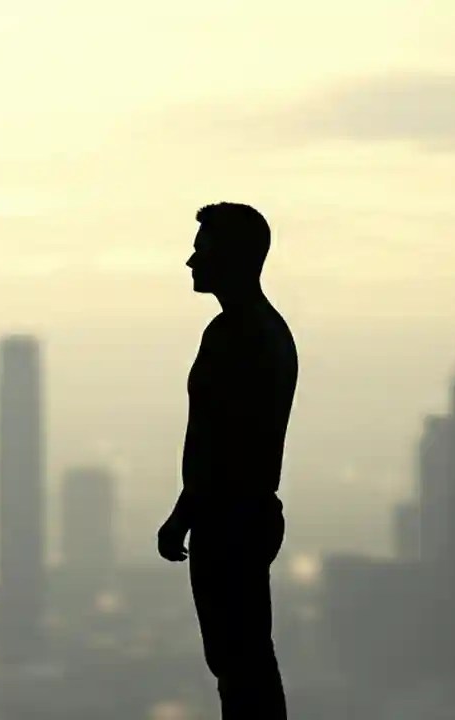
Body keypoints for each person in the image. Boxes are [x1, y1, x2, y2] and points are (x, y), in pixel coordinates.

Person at [157, 202, 298, 719]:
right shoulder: (259, 330)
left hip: (230, 516)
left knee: (239, 659)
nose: (191, 262)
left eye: (202, 251)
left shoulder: (239, 335)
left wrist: (182, 517)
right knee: (241, 656)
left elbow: (223, 444)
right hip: (237, 513)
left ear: (233, 258)